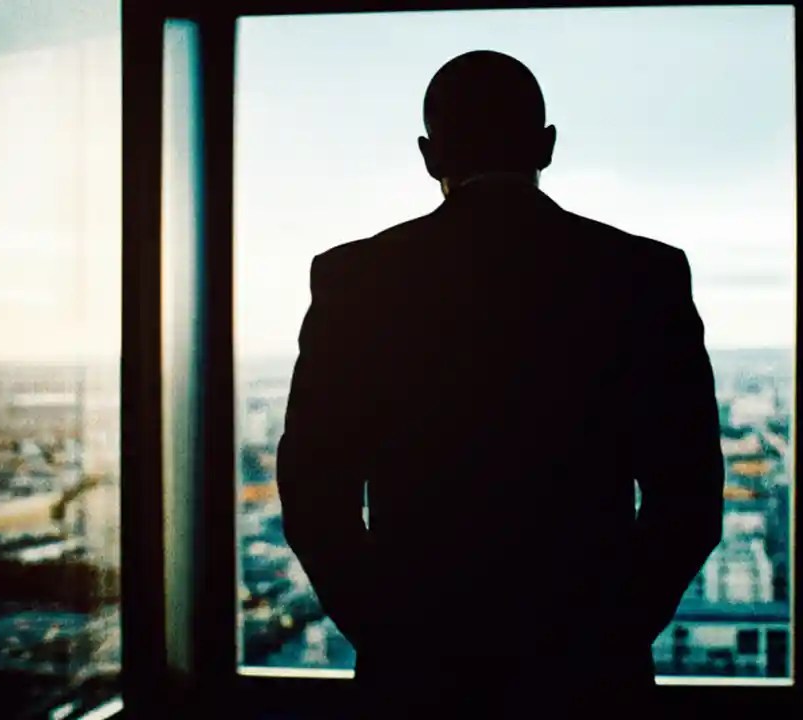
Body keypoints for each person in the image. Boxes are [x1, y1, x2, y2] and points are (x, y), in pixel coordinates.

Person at [277, 50, 725, 719]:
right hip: (589, 676)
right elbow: (688, 497)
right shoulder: (643, 275)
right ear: (546, 146)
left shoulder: (355, 281)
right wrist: (610, 635)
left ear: (429, 156)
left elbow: (314, 497)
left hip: (419, 675)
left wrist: (393, 636)